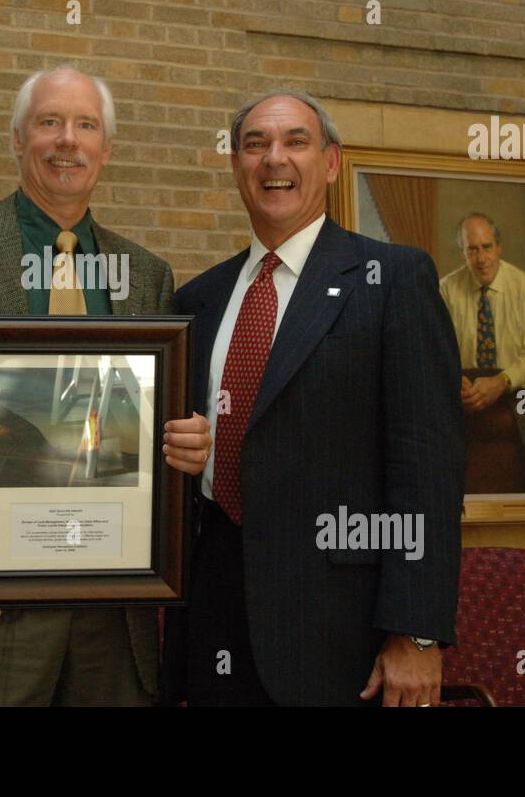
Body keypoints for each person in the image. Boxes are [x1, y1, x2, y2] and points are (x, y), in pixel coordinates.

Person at [0, 66, 211, 706]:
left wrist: (186, 444)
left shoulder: (146, 276)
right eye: (49, 122)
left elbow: (146, 431)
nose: (67, 141)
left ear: (106, 149)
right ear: (18, 139)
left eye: (86, 126)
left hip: (115, 616)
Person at [165, 89, 464, 706]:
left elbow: (427, 470)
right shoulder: (197, 300)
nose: (274, 159)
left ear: (330, 162)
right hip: (216, 618)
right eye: (256, 145)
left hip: (343, 639)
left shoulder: (392, 280)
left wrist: (417, 633)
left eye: (295, 142)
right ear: (236, 167)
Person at [440, 213, 525, 492]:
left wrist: (501, 382)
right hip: (463, 386)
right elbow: (435, 350)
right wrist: (455, 379)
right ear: (463, 252)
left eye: (487, 247)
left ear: (499, 247)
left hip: (515, 384)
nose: (481, 258)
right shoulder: (446, 289)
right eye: (472, 249)